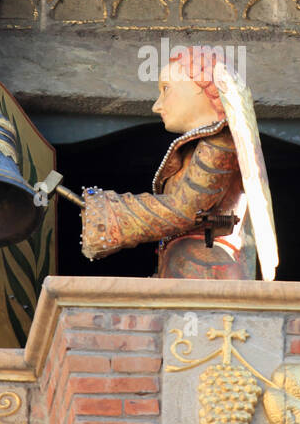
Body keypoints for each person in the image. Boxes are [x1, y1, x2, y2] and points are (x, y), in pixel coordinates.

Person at [79, 45, 256, 279]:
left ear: (200, 88)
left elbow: (185, 209)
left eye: (166, 89)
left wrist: (109, 211)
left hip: (206, 274)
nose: (157, 105)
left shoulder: (222, 142)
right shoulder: (207, 145)